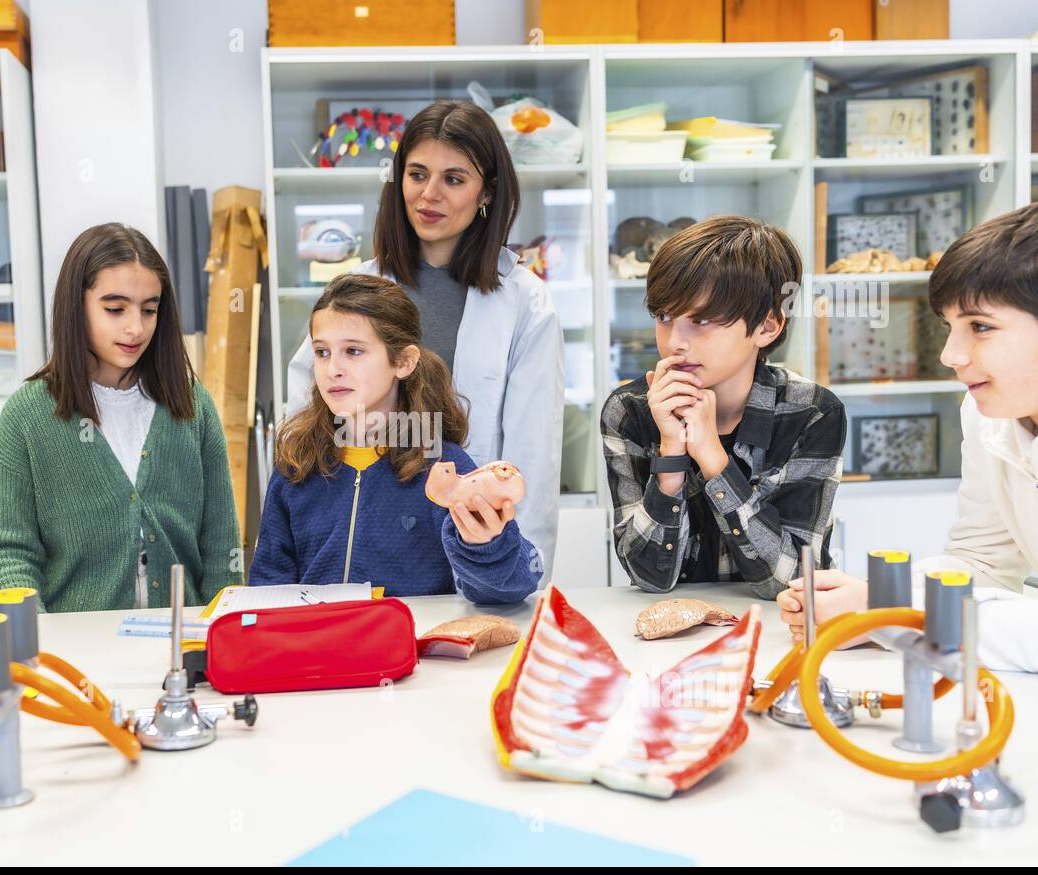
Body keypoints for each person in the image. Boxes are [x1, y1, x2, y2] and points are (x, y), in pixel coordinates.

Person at [287, 100, 564, 583]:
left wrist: (518, 573)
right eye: (417, 175)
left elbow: (531, 455)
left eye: (453, 179)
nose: (429, 194)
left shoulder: (525, 301)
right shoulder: (358, 287)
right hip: (365, 522)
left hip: (471, 528)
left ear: (487, 192)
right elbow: (307, 413)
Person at [777, 203, 1038, 671]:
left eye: (980, 327)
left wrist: (885, 616)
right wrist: (872, 599)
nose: (950, 355)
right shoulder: (988, 416)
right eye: (948, 327)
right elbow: (984, 565)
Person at [0, 223, 242, 611]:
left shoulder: (192, 406)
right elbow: (9, 554)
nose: (135, 327)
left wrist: (220, 635)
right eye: (115, 309)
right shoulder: (28, 416)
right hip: (74, 654)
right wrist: (36, 638)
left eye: (149, 310)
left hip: (181, 644)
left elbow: (222, 549)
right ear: (76, 306)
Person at [251, 273, 540, 605]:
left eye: (353, 351)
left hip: (412, 653)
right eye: (322, 352)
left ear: (403, 361)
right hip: (316, 651)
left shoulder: (442, 467)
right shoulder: (297, 464)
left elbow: (510, 586)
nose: (333, 369)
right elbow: (267, 584)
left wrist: (487, 545)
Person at [601, 215, 846, 599]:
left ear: (767, 327)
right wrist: (671, 458)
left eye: (701, 320)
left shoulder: (811, 412)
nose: (675, 342)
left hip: (785, 631)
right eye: (664, 317)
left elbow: (797, 580)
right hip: (674, 638)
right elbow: (650, 578)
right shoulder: (630, 409)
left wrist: (714, 460)